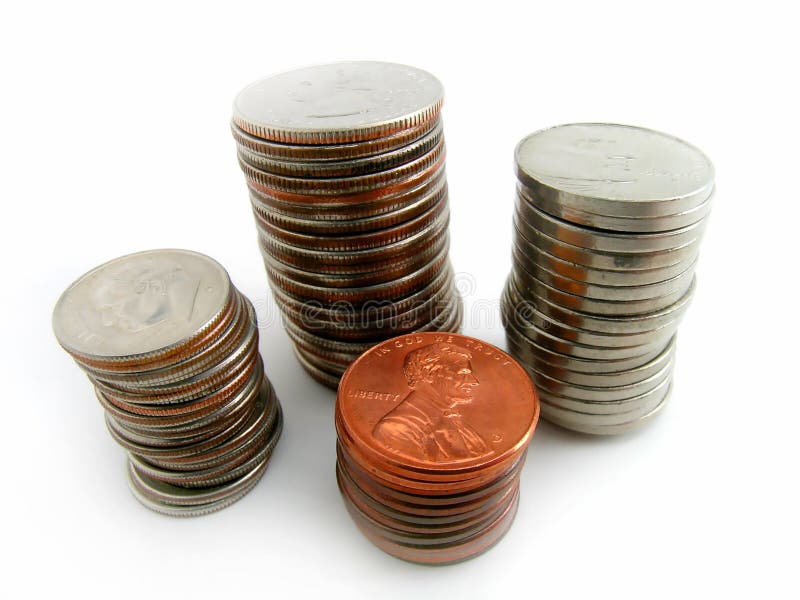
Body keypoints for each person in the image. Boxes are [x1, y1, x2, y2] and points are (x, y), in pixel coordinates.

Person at [372, 342, 489, 462]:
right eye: (462, 373)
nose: (474, 382)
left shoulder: (454, 420)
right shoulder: (395, 429)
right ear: (428, 374)